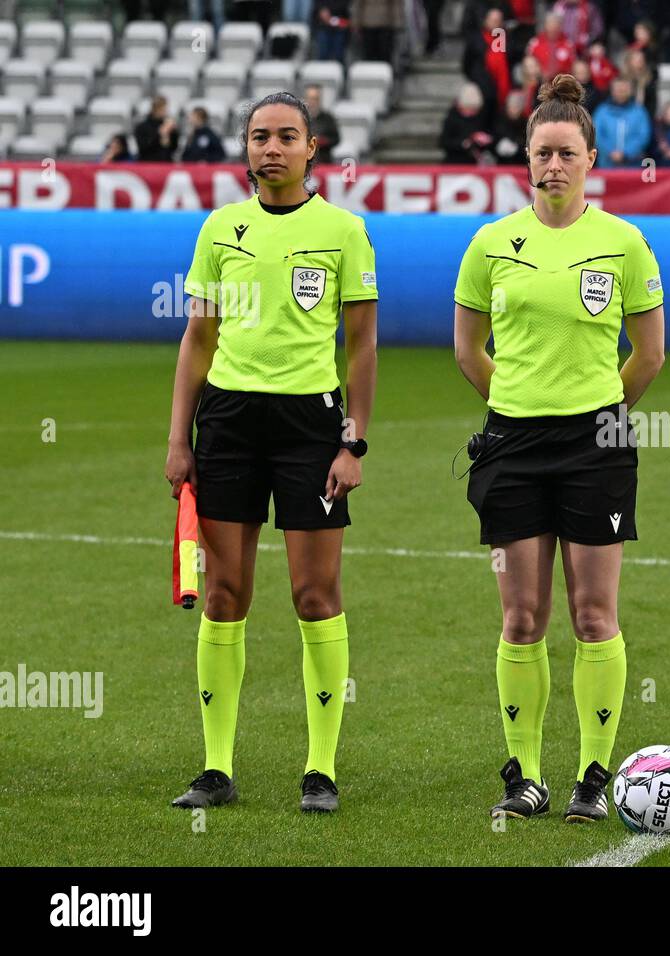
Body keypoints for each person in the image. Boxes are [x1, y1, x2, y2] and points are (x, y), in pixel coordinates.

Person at [453, 74, 665, 823]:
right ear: (526, 158)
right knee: (520, 617)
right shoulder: (491, 243)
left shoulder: (622, 241)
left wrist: (598, 411)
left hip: (596, 444)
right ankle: (526, 776)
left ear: (591, 158)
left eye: (566, 153)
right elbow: (468, 347)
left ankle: (592, 778)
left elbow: (648, 355)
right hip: (511, 443)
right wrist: (515, 404)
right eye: (542, 152)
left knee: (594, 613)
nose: (553, 166)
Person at [165, 91, 379, 814]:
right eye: (260, 136)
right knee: (224, 596)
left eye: (288, 136)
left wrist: (354, 439)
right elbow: (198, 338)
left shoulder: (343, 230)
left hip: (308, 427)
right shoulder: (220, 229)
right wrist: (178, 438)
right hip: (225, 422)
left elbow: (362, 344)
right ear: (246, 147)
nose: (272, 148)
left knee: (313, 596)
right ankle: (215, 769)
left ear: (312, 148)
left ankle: (320, 769)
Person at [592, 77, 651, 168]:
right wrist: (610, 152)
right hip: (607, 165)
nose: (621, 92)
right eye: (618, 89)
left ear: (630, 91)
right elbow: (596, 134)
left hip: (633, 165)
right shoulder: (602, 111)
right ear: (612, 91)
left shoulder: (639, 112)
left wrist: (626, 153)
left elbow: (643, 136)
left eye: (624, 89)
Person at [135, 96, 178, 162]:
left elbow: (173, 148)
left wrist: (174, 132)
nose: (165, 111)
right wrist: (159, 134)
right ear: (155, 109)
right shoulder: (142, 127)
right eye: (162, 109)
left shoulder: (167, 124)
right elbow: (143, 148)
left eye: (165, 109)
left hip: (166, 164)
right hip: (148, 164)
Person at [303, 85, 339, 164]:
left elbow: (336, 139)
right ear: (306, 99)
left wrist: (323, 141)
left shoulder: (328, 118)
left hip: (323, 161)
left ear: (320, 99)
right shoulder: (300, 118)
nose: (313, 102)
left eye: (315, 99)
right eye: (310, 98)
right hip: (304, 163)